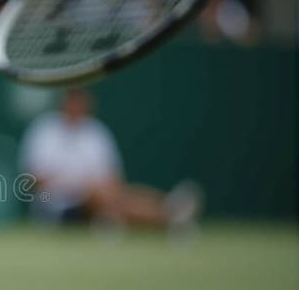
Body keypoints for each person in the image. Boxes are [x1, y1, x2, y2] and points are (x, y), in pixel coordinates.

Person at [19, 89, 202, 233]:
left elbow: (114, 180)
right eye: (72, 101)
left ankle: (166, 210)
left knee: (118, 196)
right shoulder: (44, 130)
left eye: (81, 102)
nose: (76, 106)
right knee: (103, 196)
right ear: (63, 103)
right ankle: (169, 214)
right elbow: (34, 181)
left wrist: (98, 189)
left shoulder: (96, 132)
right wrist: (80, 186)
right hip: (56, 207)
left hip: (101, 201)